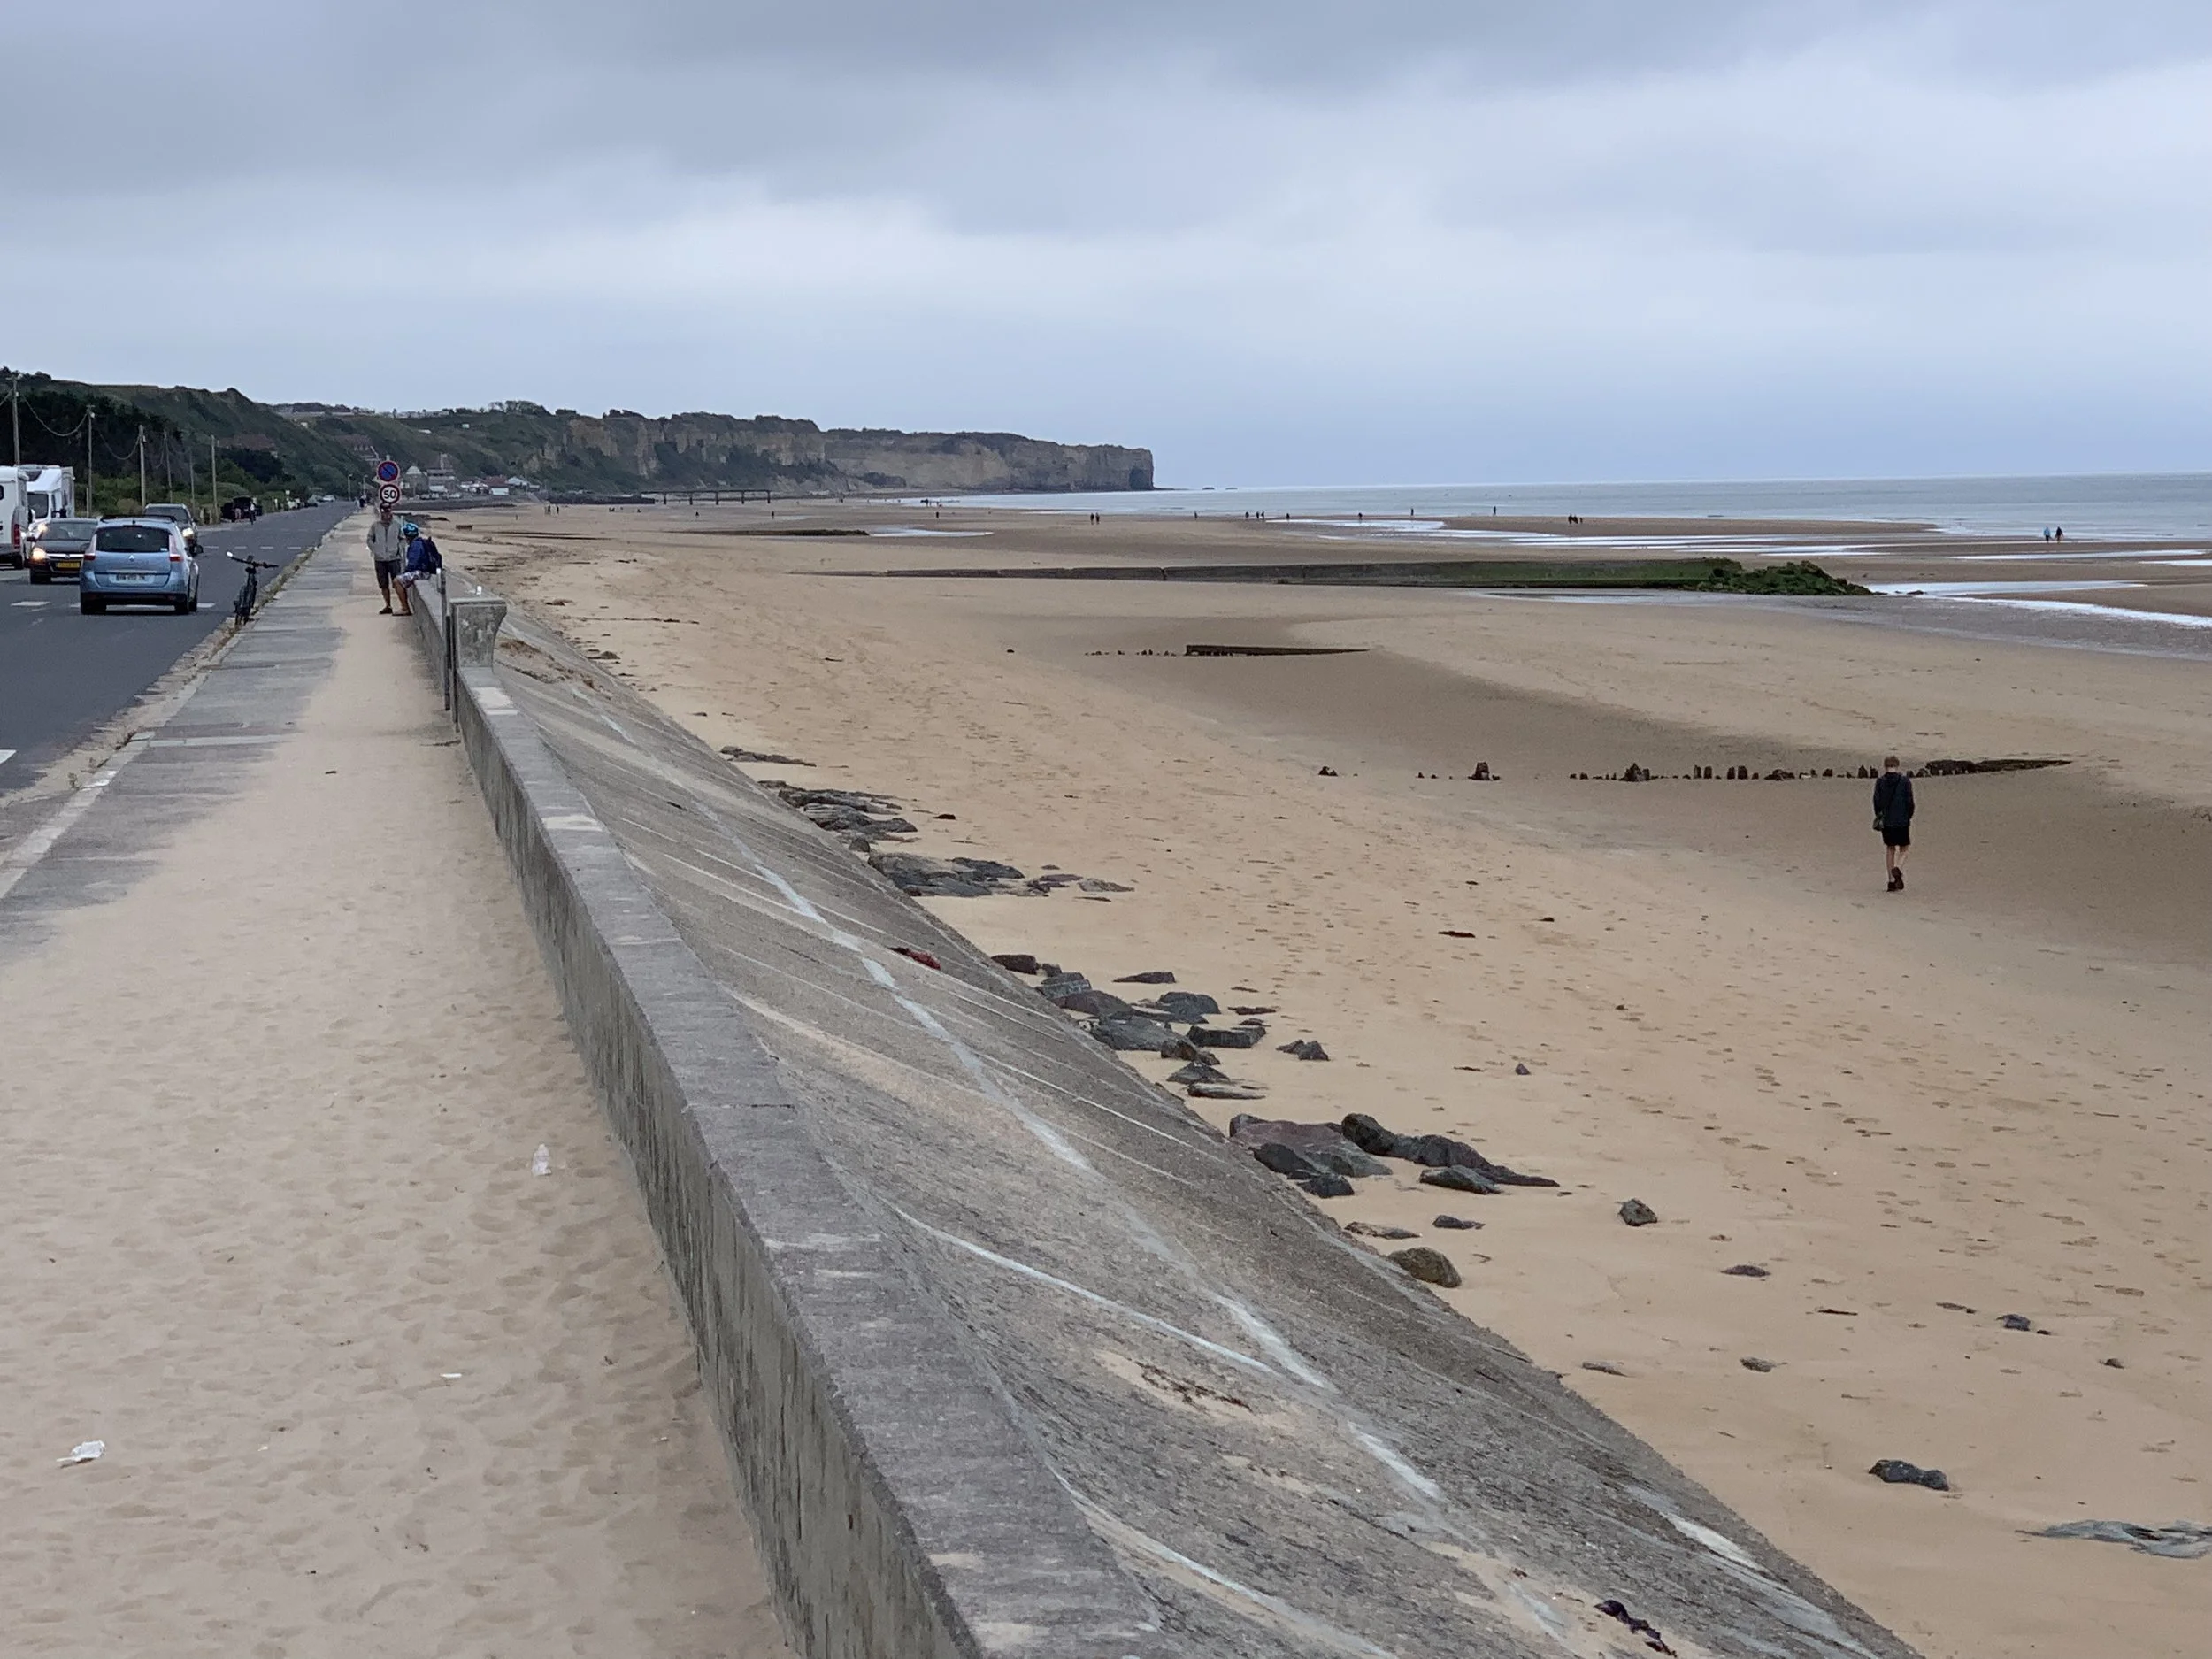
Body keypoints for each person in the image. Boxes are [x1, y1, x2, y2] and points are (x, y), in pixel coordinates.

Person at [1872, 755, 1915, 891]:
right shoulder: (1905, 781)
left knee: (1890, 849)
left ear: (1885, 766)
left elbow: (1876, 802)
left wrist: (1880, 816)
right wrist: (1909, 816)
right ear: (1897, 766)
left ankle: (1891, 880)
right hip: (1902, 820)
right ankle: (1898, 868)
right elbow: (1910, 802)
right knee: (1904, 848)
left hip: (1888, 820)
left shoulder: (1880, 782)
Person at [392, 522, 442, 616]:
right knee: (400, 579)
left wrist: (405, 572)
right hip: (424, 571)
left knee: (396, 581)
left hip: (421, 572)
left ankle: (405, 608)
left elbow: (413, 563)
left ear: (408, 536)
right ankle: (404, 607)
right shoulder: (420, 542)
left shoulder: (416, 545)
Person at [365, 508, 405, 611]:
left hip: (394, 559)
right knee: (383, 584)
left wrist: (398, 549)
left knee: (398, 582)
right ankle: (388, 605)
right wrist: (375, 549)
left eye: (389, 513)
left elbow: (402, 538)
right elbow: (369, 539)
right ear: (382, 513)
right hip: (380, 559)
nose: (387, 515)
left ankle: (404, 606)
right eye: (385, 513)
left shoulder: (397, 525)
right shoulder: (375, 526)